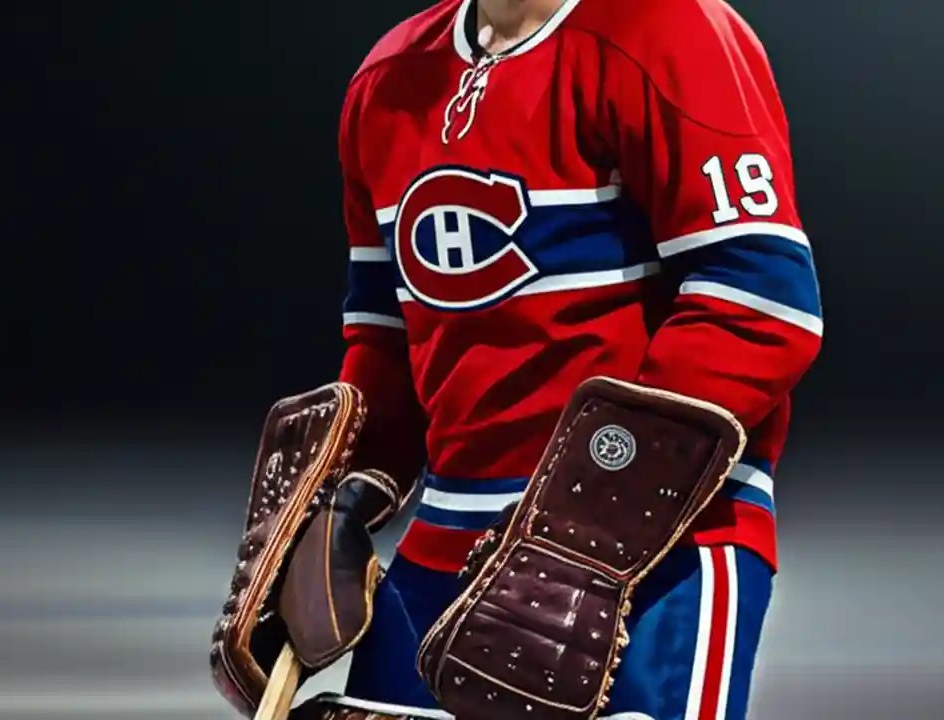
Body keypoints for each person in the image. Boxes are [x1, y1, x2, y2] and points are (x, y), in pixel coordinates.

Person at [322, 0, 822, 717]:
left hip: (655, 548)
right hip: (448, 544)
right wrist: (339, 503)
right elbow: (384, 336)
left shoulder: (672, 30)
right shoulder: (387, 78)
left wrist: (575, 527)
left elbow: (760, 301)